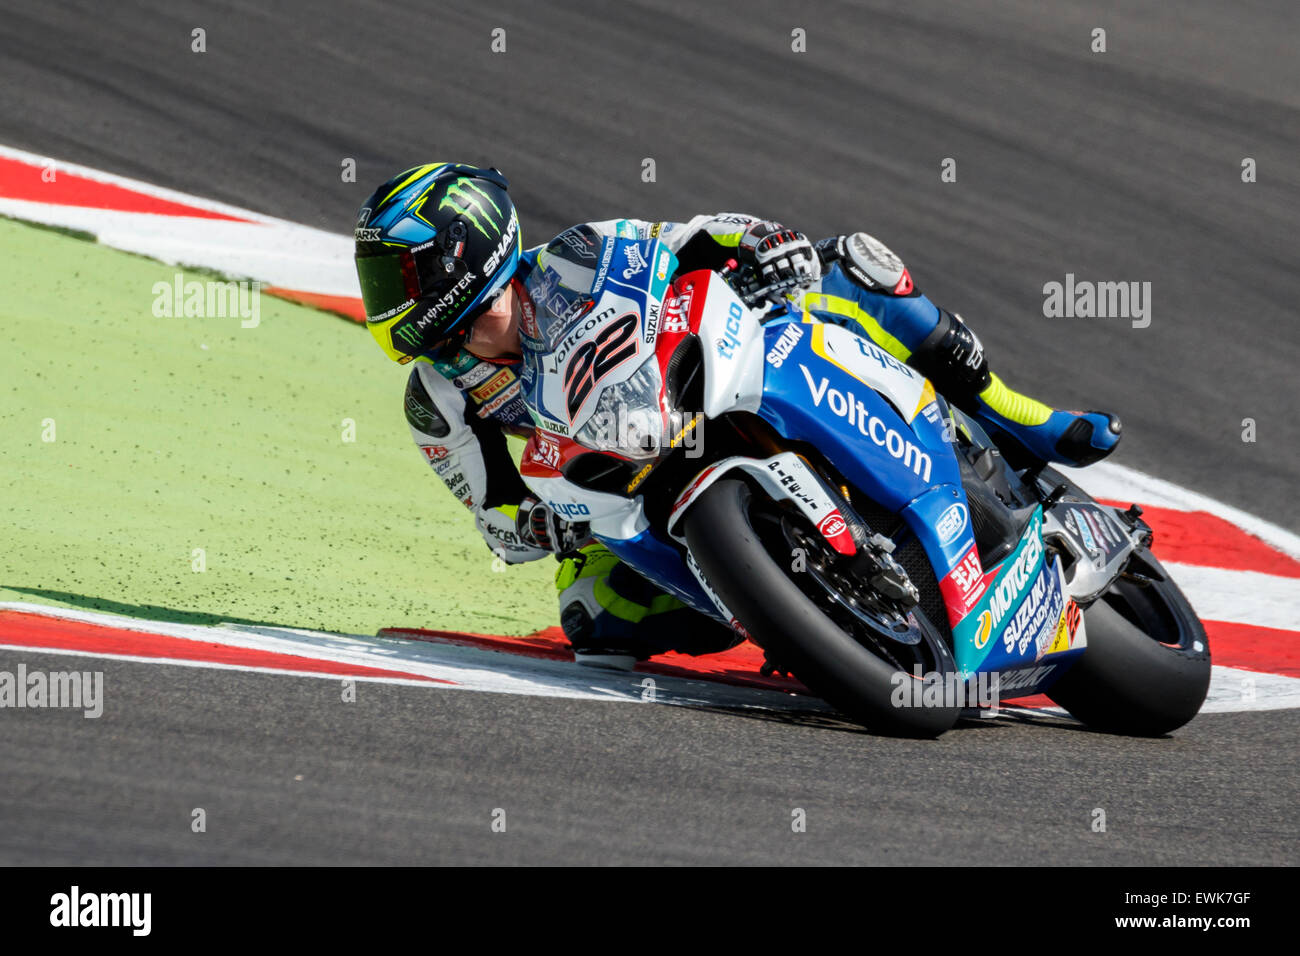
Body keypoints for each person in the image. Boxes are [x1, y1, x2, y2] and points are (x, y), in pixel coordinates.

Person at [354, 163, 1121, 666]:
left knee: (853, 265)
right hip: (623, 479)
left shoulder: (581, 254)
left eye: (398, 274)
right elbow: (494, 514)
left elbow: (692, 239)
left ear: (462, 254)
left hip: (701, 386)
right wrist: (538, 527)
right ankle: (799, 617)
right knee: (594, 617)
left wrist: (767, 244)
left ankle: (1016, 416)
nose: (386, 298)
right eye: (378, 279)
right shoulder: (439, 398)